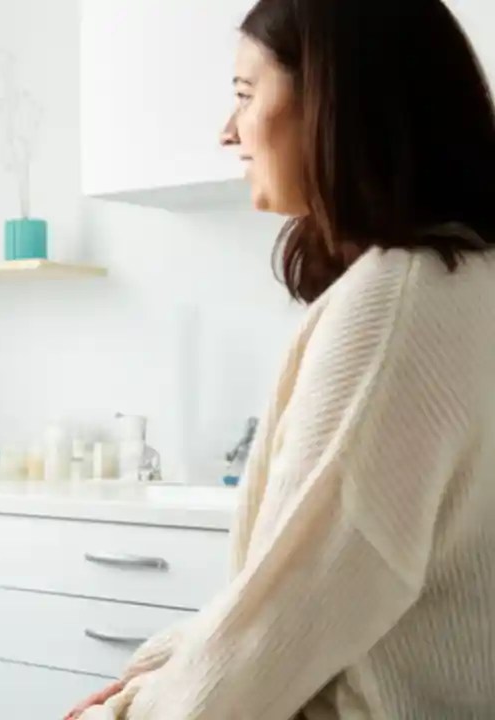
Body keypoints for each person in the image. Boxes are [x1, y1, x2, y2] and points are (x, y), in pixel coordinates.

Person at [69, 0, 495, 717]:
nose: (227, 130)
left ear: (333, 97)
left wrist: (124, 711)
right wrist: (167, 662)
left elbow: (282, 621)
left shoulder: (396, 302)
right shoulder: (470, 280)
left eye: (244, 93)